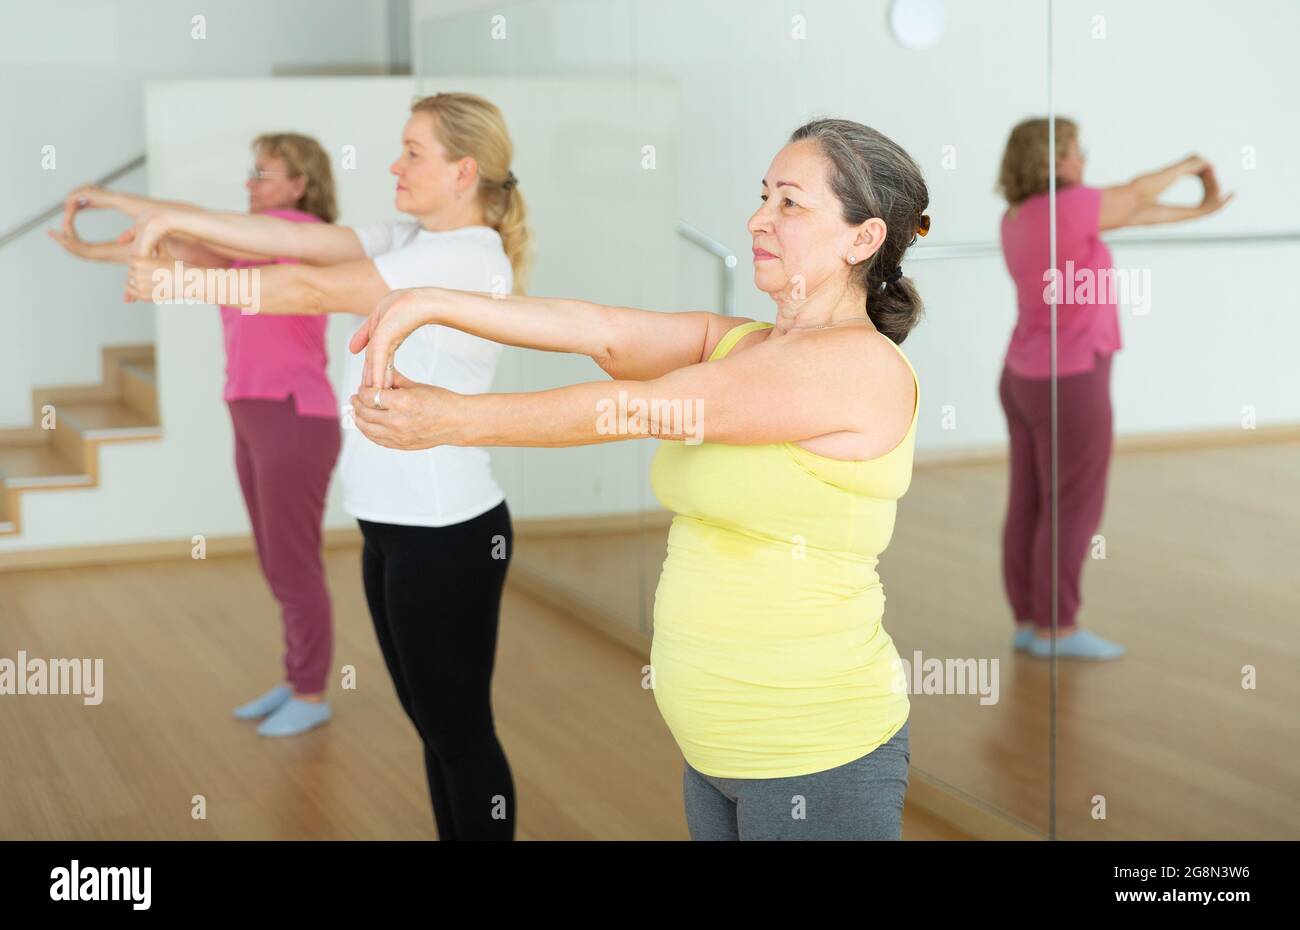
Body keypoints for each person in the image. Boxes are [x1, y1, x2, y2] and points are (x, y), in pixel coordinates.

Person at [346, 118, 930, 841]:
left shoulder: (856, 367)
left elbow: (641, 407)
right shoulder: (743, 342)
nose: (758, 219)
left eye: (789, 203)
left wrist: (453, 419)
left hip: (814, 751)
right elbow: (603, 333)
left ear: (862, 239)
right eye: (762, 196)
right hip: (714, 753)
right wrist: (431, 300)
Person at [119, 92, 532, 840]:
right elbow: (285, 241)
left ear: (463, 170)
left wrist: (179, 280)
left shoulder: (459, 259)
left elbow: (308, 286)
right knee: (435, 731)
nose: (394, 164)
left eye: (413, 152)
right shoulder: (412, 238)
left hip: (445, 532)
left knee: (460, 733)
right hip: (395, 529)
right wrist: (160, 217)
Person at [52, 133, 342, 737]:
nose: (251, 183)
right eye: (251, 172)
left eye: (265, 174)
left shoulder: (298, 239)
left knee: (292, 564)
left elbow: (186, 227)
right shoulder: (247, 252)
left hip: (294, 416)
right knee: (275, 559)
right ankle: (295, 679)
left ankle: (312, 691)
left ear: (300, 184)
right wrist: (90, 252)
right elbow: (176, 247)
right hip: (253, 412)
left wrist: (108, 196)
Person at [996, 117, 1233, 660]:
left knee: (1029, 502)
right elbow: (1138, 192)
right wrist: (1189, 164)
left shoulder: (1018, 215)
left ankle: (1031, 622)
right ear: (1050, 160)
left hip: (1021, 378)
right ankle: (1058, 628)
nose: (1083, 161)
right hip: (1071, 380)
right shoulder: (1074, 205)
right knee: (1073, 506)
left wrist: (1199, 210)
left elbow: (1137, 210)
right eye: (1075, 152)